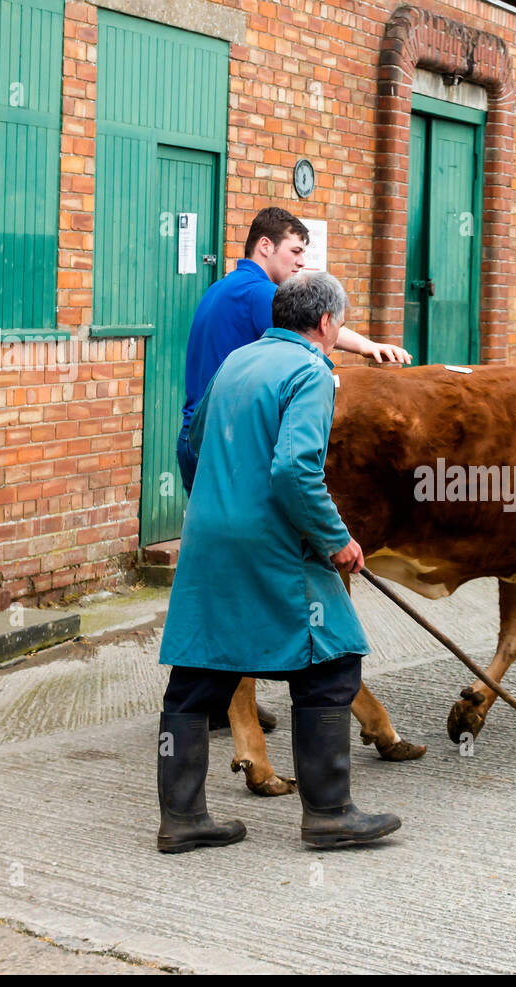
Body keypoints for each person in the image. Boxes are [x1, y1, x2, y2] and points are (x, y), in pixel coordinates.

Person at [155, 271, 400, 853]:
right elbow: (294, 471)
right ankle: (329, 814)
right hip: (272, 540)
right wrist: (336, 539)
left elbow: (191, 441)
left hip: (210, 535)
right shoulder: (312, 371)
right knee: (332, 664)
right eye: (340, 321)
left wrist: (220, 496)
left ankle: (182, 820)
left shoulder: (237, 360)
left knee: (196, 678)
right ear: (325, 323)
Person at [176, 207, 410, 494]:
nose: (301, 262)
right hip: (222, 442)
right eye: (295, 251)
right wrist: (367, 346)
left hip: (194, 436)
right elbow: (316, 326)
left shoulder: (220, 287)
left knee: (213, 532)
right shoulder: (260, 293)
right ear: (265, 246)